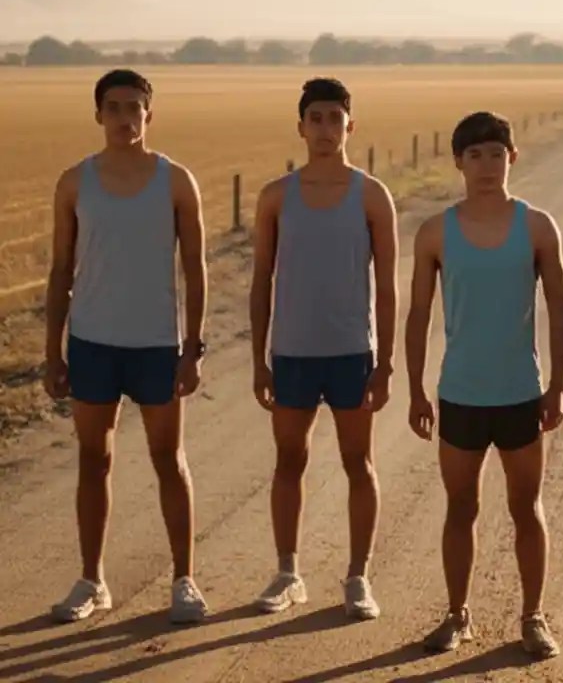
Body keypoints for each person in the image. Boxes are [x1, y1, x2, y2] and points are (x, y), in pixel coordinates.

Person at [44, 69, 211, 625]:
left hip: (157, 346)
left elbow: (195, 266)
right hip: (91, 342)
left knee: (169, 460)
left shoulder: (176, 181)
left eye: (134, 107)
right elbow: (61, 269)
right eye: (113, 107)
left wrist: (193, 348)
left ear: (149, 114)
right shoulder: (74, 182)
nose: (124, 117)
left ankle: (184, 580)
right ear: (98, 115)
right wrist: (53, 349)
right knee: (95, 461)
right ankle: (92, 581)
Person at [405, 111, 563, 660]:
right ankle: (457, 615)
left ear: (511, 158)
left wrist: (558, 385)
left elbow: (559, 307)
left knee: (528, 507)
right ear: (458, 161)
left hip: (521, 391)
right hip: (460, 395)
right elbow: (418, 315)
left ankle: (533, 616)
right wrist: (415, 390)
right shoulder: (436, 231)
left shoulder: (538, 226)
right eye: (474, 154)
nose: (485, 165)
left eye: (496, 153)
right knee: (460, 508)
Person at [249, 77, 399, 621]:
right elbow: (261, 278)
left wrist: (384, 365)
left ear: (350, 126)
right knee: (290, 460)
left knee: (359, 462)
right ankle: (288, 573)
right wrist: (258, 360)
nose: (326, 128)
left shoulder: (371, 195)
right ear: (301, 126)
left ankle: (358, 577)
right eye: (316, 118)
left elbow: (387, 286)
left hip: (351, 354)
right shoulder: (275, 195)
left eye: (335, 118)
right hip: (290, 353)